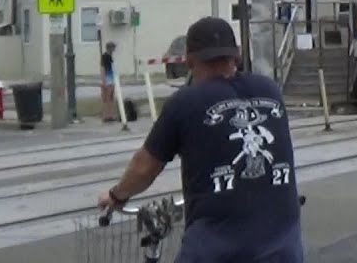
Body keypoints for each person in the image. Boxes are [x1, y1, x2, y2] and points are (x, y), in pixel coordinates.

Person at [97, 16, 303, 262]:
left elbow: (145, 167)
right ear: (236, 55)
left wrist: (117, 196)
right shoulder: (270, 90)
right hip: (283, 243)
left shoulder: (185, 102)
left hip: (220, 245)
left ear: (189, 61)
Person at [100, 41, 118, 122]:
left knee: (111, 98)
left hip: (111, 79)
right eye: (113, 48)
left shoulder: (110, 56)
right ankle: (106, 116)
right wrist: (104, 81)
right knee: (106, 98)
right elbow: (102, 68)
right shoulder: (105, 56)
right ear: (109, 48)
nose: (114, 49)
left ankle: (110, 115)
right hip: (107, 79)